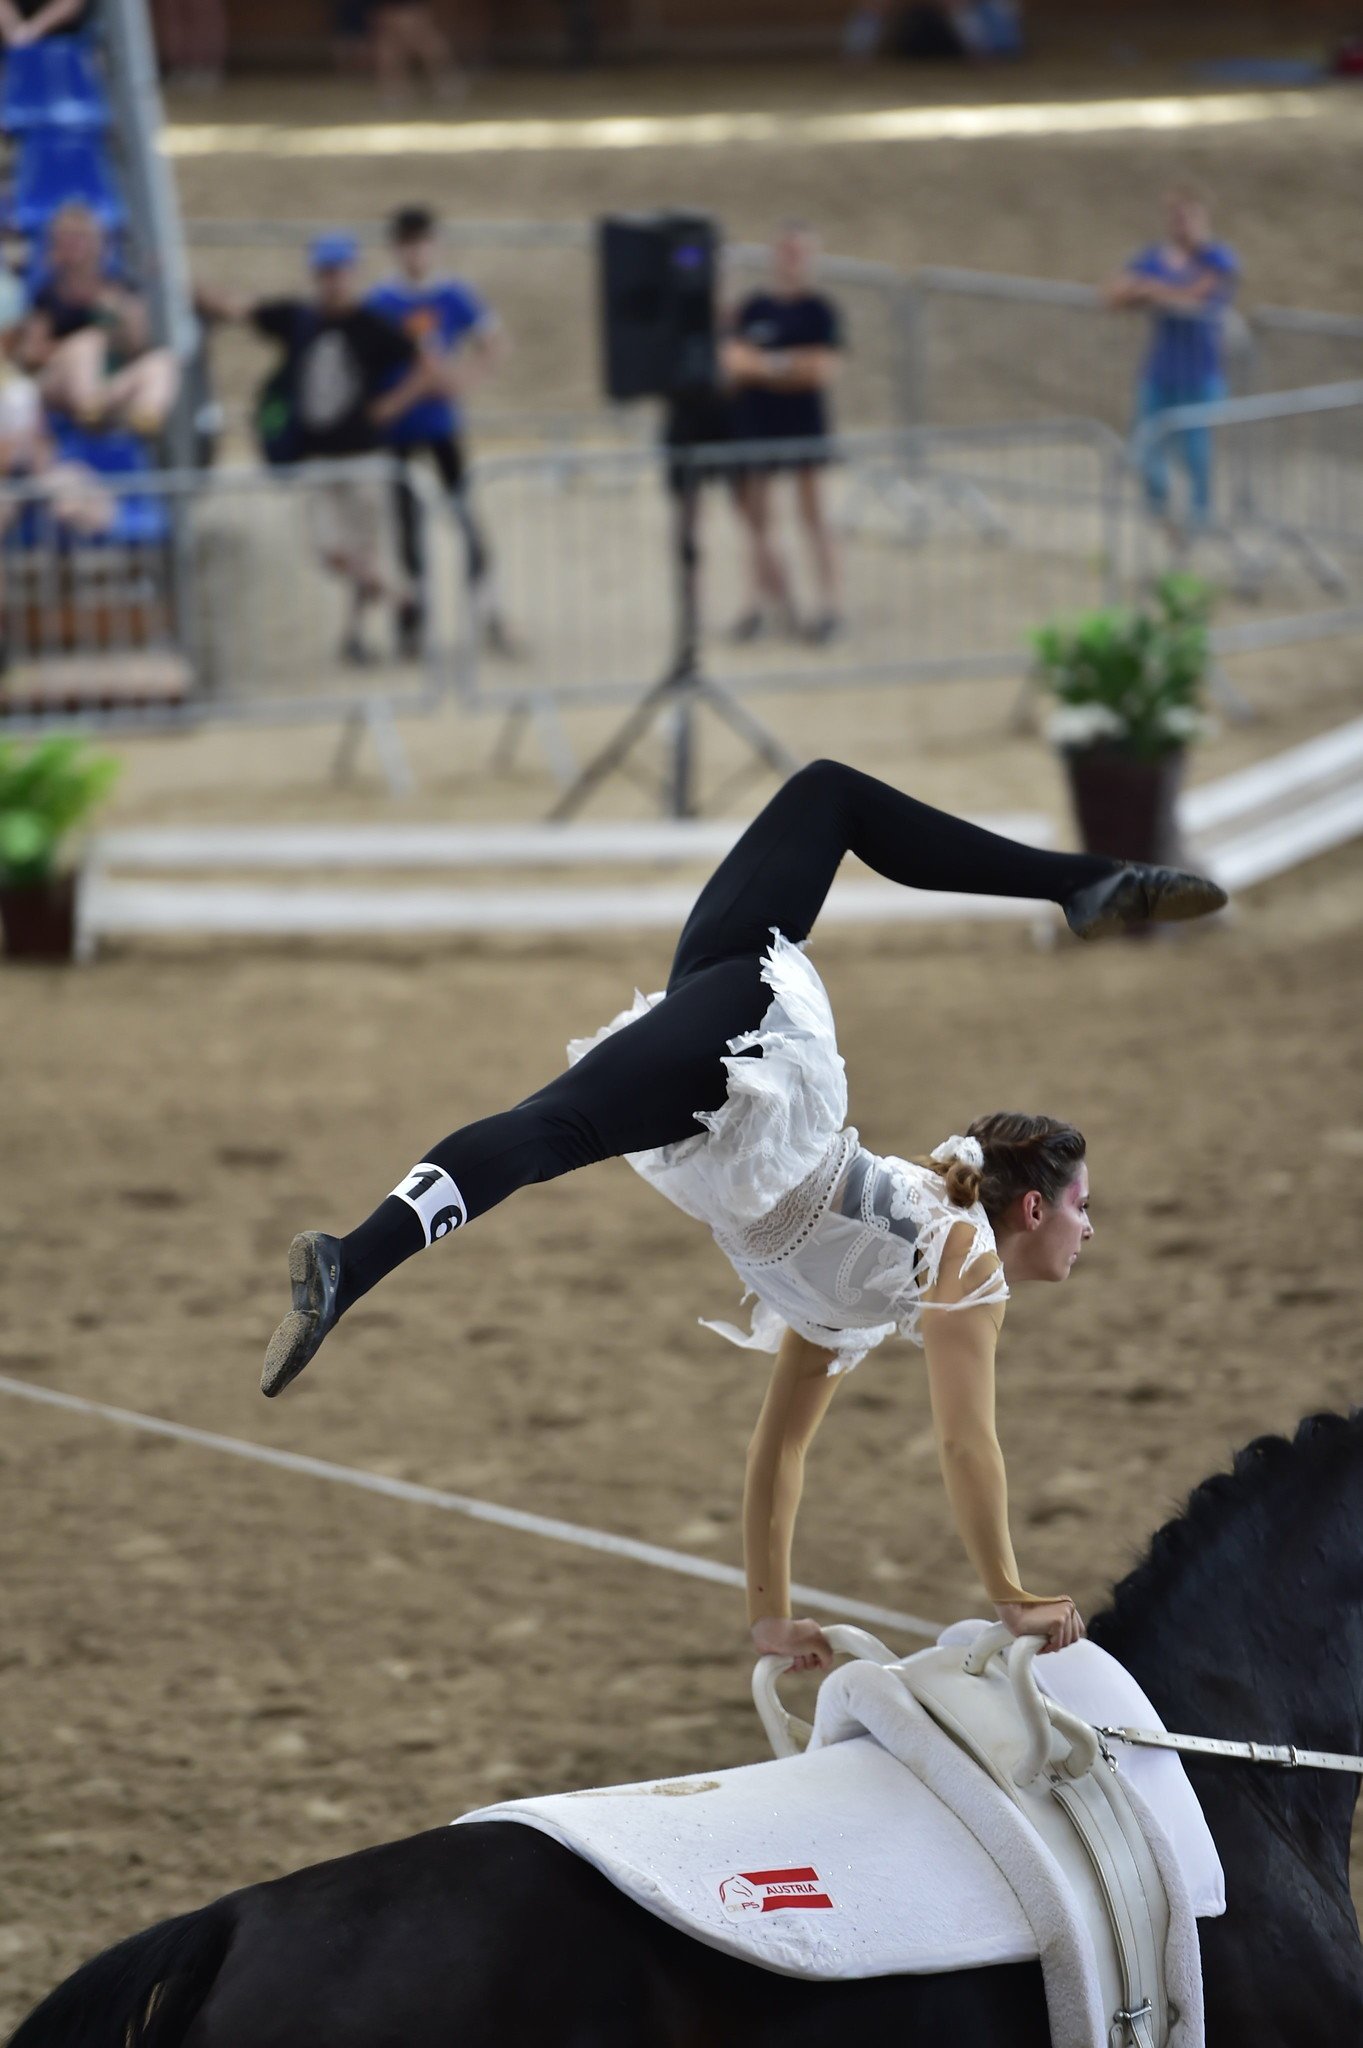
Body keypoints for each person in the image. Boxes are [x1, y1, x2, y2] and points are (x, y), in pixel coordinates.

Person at [261, 761, 1227, 1657]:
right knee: (551, 1125)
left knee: (825, 798)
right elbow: (965, 1440)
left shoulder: (855, 1304)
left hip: (725, 1060)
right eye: (1081, 1207)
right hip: (748, 1070)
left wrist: (768, 1613)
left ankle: (1078, 882)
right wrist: (1010, 1591)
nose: (1090, 1228)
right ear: (1027, 1208)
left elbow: (778, 1454)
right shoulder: (961, 1264)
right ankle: (1080, 882)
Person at [197, 234, 438, 664]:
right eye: (326, 273)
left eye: (340, 272)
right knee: (330, 550)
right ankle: (403, 598)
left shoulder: (372, 323)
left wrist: (393, 404)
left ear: (352, 273)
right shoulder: (297, 319)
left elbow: (424, 362)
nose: (333, 281)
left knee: (362, 550)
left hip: (364, 455)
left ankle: (355, 636)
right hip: (318, 459)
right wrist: (189, 288)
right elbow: (241, 308)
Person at [365, 205, 509, 658]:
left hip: (440, 425)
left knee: (465, 519)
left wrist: (462, 382)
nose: (416, 252)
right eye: (407, 243)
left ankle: (489, 612)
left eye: (423, 241)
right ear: (395, 248)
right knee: (406, 530)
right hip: (399, 429)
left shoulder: (455, 295)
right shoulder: (380, 303)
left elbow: (494, 343)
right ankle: (413, 622)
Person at [725, 224, 844, 646]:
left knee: (814, 519)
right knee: (757, 522)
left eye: (799, 252)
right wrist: (788, 366)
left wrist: (768, 366)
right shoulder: (754, 307)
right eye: (786, 251)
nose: (792, 259)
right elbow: (735, 362)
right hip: (758, 427)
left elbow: (822, 369)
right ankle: (756, 606)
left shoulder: (820, 310)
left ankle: (830, 607)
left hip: (804, 427)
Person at [1106, 184, 1240, 539]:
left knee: (1196, 453)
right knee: (1146, 450)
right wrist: (1152, 291)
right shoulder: (1153, 258)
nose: (1182, 225)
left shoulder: (1217, 257)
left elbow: (1200, 294)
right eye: (1176, 217)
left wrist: (1151, 291)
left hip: (1200, 374)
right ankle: (1164, 517)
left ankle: (1198, 522)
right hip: (1160, 372)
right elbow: (1114, 294)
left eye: (1189, 217)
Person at [21, 206, 181, 441]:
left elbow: (138, 346)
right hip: (60, 386)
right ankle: (89, 406)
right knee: (88, 343)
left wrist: (121, 316)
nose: (74, 245)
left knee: (162, 362)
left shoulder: (119, 289)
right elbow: (31, 354)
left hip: (106, 388)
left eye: (80, 237)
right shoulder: (48, 294)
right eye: (67, 238)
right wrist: (74, 347)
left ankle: (145, 418)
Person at [0, 0, 88, 42]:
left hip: (63, 39)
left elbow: (71, 5)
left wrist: (32, 30)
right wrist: (15, 31)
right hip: (11, 40)